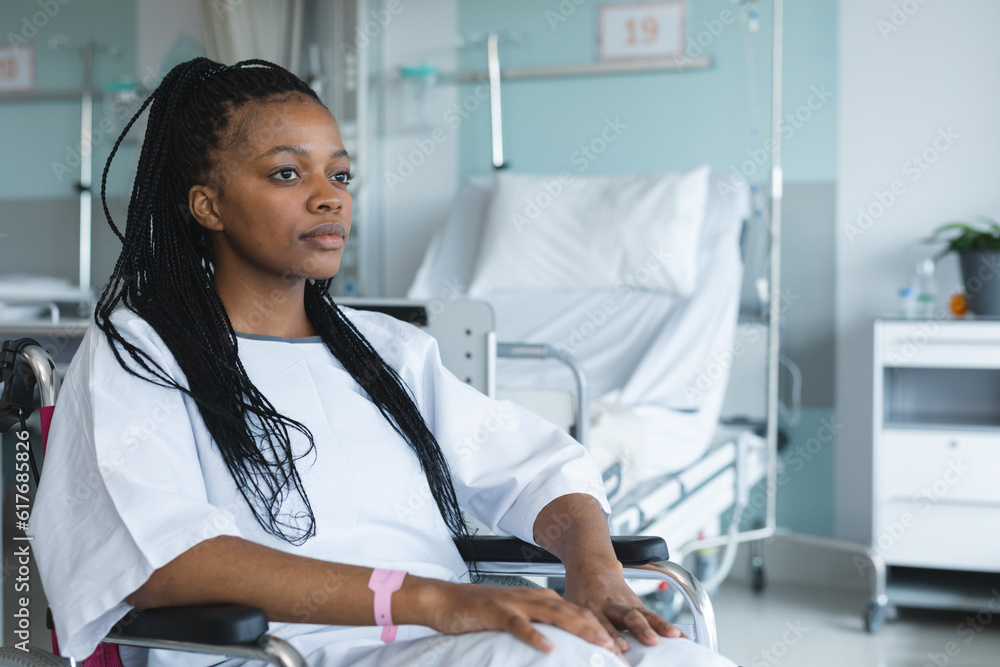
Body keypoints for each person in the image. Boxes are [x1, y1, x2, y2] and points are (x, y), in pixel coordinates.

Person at [29, 58, 737, 667]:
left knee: (677, 654)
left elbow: (541, 468)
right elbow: (164, 559)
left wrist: (596, 567)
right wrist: (438, 598)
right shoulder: (141, 350)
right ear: (207, 204)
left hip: (437, 642)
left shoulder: (388, 351)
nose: (329, 193)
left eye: (340, 172)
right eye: (286, 172)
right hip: (279, 650)